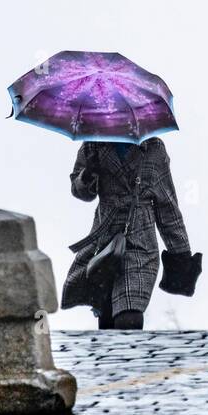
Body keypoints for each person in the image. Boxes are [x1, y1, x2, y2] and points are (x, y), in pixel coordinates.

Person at [61, 138, 192, 330]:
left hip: (141, 242)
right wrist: (87, 175)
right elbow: (80, 192)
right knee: (106, 318)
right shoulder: (93, 145)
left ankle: (130, 348)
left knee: (129, 316)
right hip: (104, 240)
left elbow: (167, 206)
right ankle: (110, 350)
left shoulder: (153, 147)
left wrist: (181, 254)